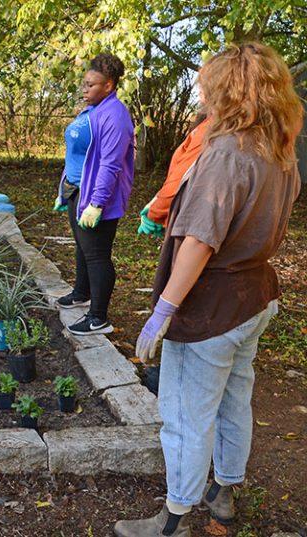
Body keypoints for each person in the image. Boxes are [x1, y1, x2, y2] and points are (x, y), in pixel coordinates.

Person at [116, 42, 303, 537]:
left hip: (212, 308)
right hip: (254, 296)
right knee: (234, 397)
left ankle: (173, 521)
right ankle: (223, 492)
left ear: (229, 92)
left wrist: (164, 309)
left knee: (185, 413)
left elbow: (199, 241)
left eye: (207, 86)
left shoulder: (227, 153)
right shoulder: (280, 151)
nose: (200, 93)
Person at [53, 53, 134, 336]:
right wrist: (64, 189)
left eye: (91, 85)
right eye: (84, 84)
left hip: (96, 197)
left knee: (97, 255)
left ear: (109, 85)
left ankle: (98, 318)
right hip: (76, 190)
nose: (84, 89)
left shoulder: (115, 116)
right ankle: (81, 293)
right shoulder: (93, 110)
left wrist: (97, 203)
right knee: (82, 246)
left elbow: (110, 164)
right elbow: (77, 153)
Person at [138, 111, 210, 237]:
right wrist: (156, 200)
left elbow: (183, 174)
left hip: (195, 222)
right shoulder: (210, 123)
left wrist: (155, 212)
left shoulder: (211, 127)